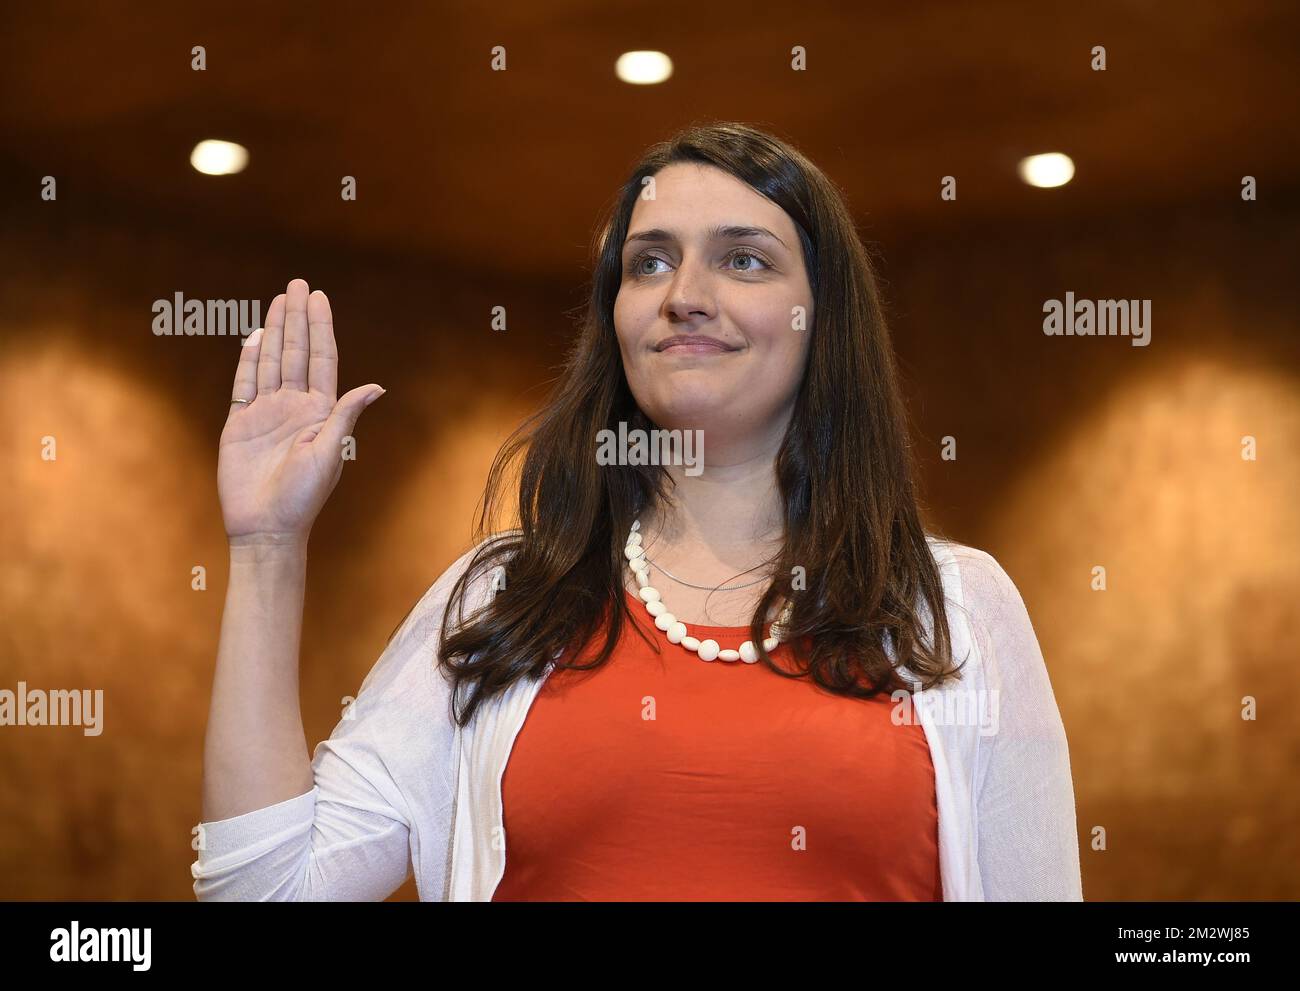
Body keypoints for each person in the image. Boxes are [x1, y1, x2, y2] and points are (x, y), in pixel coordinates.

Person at [193, 121, 1082, 901]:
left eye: (743, 258)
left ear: (824, 317)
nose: (682, 293)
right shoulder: (506, 599)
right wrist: (268, 547)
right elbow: (275, 889)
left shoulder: (954, 609)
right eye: (648, 261)